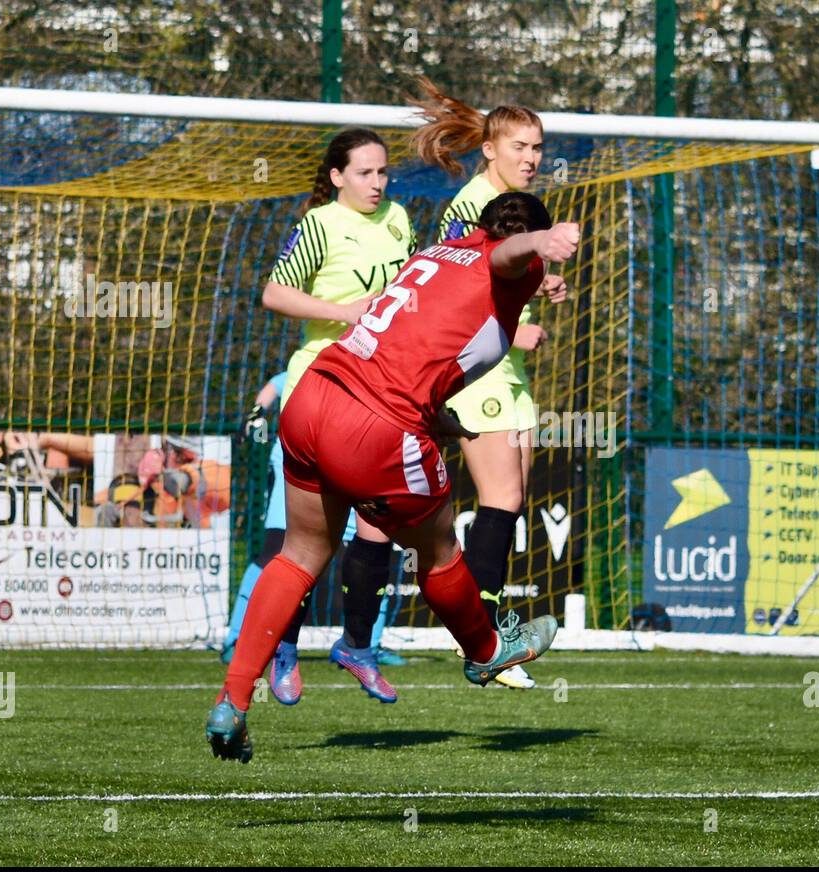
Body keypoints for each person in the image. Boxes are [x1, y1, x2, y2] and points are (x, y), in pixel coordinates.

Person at [205, 192, 580, 762]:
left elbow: (413, 344)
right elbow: (505, 257)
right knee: (437, 550)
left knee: (300, 554)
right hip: (376, 427)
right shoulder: (513, 262)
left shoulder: (440, 252)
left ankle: (232, 702)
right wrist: (541, 246)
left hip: (312, 398)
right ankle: (487, 651)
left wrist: (437, 416)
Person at [410, 78, 568, 690]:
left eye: (537, 146)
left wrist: (541, 288)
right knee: (500, 498)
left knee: (511, 497)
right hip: (479, 366)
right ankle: (480, 641)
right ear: (490, 150)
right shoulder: (476, 204)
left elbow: (503, 274)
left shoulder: (513, 209)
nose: (530, 157)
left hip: (505, 365)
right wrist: (512, 328)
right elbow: (448, 283)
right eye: (519, 146)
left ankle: (484, 630)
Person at [258, 127, 416, 703]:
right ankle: (283, 647)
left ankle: (356, 645)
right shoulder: (320, 225)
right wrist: (343, 312)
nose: (377, 183)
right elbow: (275, 294)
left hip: (380, 394)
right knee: (304, 539)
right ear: (336, 177)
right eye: (365, 173)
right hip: (319, 392)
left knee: (379, 527)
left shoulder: (399, 218)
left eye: (383, 173)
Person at [220, 374, 406, 707]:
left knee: (376, 542)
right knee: (286, 550)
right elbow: (276, 382)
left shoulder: (386, 342)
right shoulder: (322, 350)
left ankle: (363, 646)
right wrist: (257, 410)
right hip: (308, 437)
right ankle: (251, 641)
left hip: (369, 434)